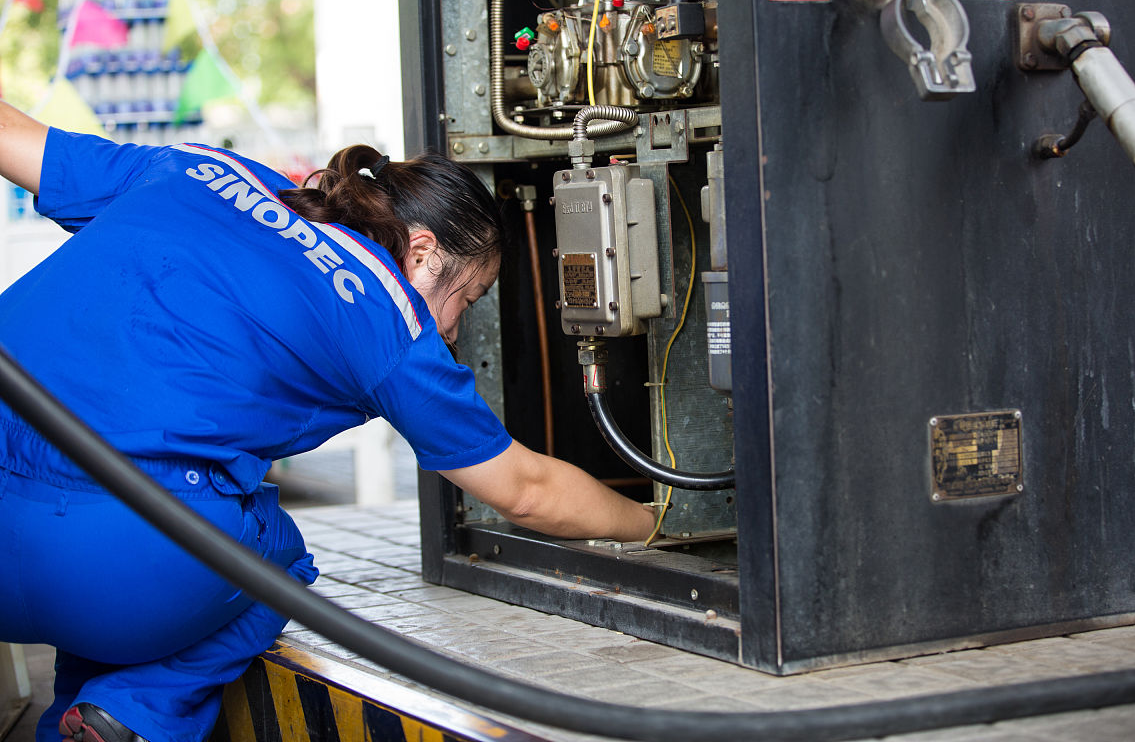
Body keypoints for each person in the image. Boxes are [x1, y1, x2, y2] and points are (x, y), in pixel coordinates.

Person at [0, 100, 656, 742]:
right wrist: (654, 524)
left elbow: (12, 133)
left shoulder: (201, 169)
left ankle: (94, 721)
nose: (454, 329)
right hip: (119, 567)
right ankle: (133, 713)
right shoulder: (383, 311)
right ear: (422, 252)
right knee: (271, 566)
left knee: (141, 551)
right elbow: (527, 490)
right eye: (468, 299)